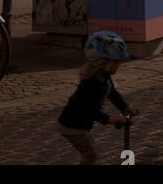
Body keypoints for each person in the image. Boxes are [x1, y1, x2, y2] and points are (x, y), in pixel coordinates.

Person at [58, 30, 136, 164]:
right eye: (117, 62)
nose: (119, 65)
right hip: (72, 126)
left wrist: (125, 107)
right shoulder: (90, 83)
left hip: (80, 125)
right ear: (105, 62)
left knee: (89, 153)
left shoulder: (104, 78)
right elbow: (88, 109)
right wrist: (110, 119)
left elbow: (112, 93)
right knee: (90, 156)